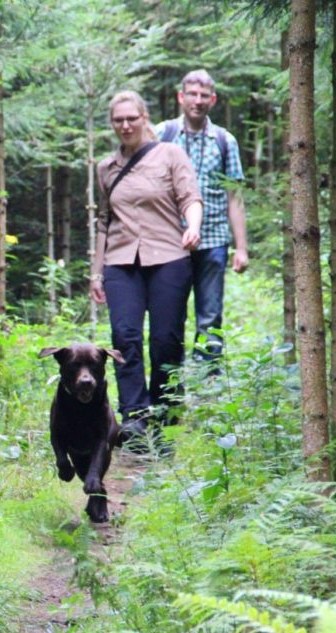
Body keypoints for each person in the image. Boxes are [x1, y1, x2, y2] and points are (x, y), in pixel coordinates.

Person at [90, 90, 203, 442]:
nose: (125, 126)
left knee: (166, 340)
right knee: (124, 338)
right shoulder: (105, 168)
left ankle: (166, 413)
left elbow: (190, 197)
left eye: (131, 118)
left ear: (144, 118)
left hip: (169, 256)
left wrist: (194, 226)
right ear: (112, 124)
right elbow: (104, 222)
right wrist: (96, 272)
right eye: (118, 120)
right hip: (120, 262)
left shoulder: (170, 154)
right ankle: (135, 418)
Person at [155, 69, 248, 367]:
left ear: (213, 99)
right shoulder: (162, 134)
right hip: (171, 244)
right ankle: (172, 382)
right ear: (181, 97)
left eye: (203, 95)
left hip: (214, 242)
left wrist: (242, 248)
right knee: (171, 314)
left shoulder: (225, 141)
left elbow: (235, 196)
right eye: (192, 94)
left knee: (210, 315)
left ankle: (208, 385)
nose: (197, 101)